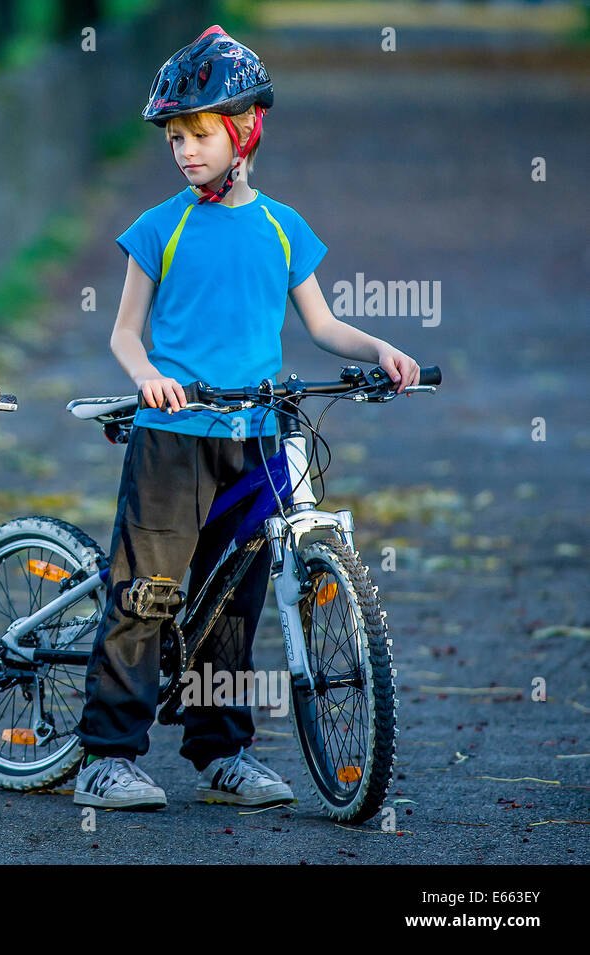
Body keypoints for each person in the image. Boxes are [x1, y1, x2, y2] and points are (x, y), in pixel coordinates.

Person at [72, 26, 422, 810]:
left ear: (244, 132)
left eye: (198, 134)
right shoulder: (162, 227)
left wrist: (383, 347)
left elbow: (324, 326)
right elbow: (124, 333)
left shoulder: (281, 226)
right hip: (176, 435)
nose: (184, 150)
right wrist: (150, 377)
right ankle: (106, 755)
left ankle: (219, 752)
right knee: (148, 594)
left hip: (261, 438)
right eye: (174, 137)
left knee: (236, 602)